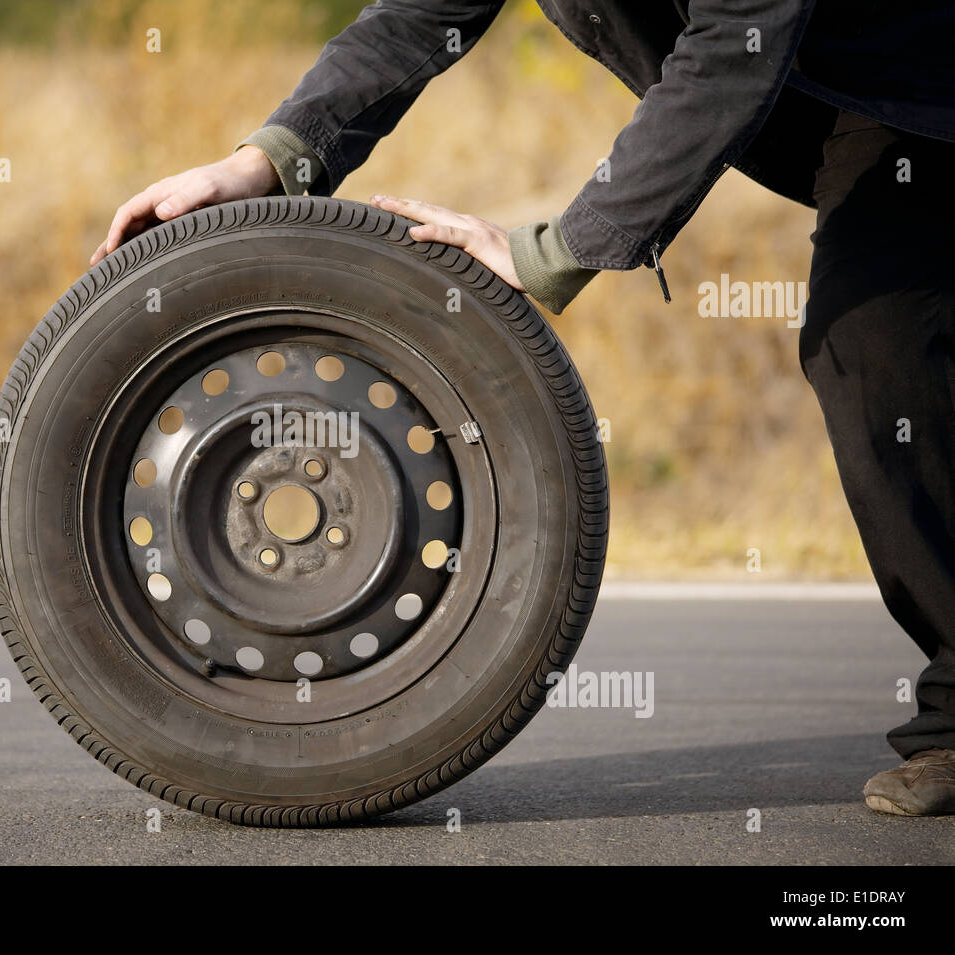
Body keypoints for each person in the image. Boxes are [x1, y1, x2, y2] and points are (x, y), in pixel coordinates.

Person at [91, 1, 955, 816]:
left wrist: (552, 253)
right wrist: (264, 162)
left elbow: (738, 38)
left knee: (879, 349)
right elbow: (422, 16)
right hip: (848, 114)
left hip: (920, 99)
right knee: (883, 355)